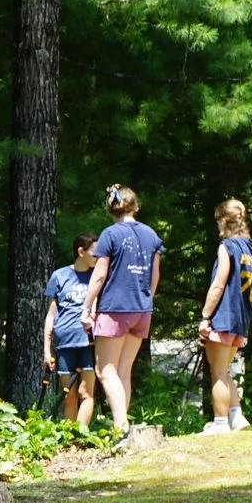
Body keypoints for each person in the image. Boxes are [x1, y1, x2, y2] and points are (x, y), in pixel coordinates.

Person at [81, 185, 162, 438]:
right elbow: (155, 276)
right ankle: (123, 429)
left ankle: (121, 427)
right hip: (142, 309)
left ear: (110, 208)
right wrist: (145, 301)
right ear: (135, 206)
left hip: (115, 308)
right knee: (123, 370)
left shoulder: (110, 234)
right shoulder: (151, 235)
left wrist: (86, 307)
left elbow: (100, 274)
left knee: (105, 370)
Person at [195, 198, 252, 435]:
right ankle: (237, 417)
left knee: (218, 372)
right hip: (241, 319)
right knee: (225, 369)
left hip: (223, 316)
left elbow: (219, 284)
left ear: (224, 221)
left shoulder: (228, 247)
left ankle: (220, 423)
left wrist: (205, 316)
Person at [42, 233, 100, 427]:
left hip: (88, 342)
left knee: (86, 392)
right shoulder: (59, 276)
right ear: (81, 252)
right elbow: (51, 316)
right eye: (94, 253)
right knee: (69, 395)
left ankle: (79, 437)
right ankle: (68, 438)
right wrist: (46, 350)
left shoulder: (97, 277)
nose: (98, 257)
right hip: (64, 342)